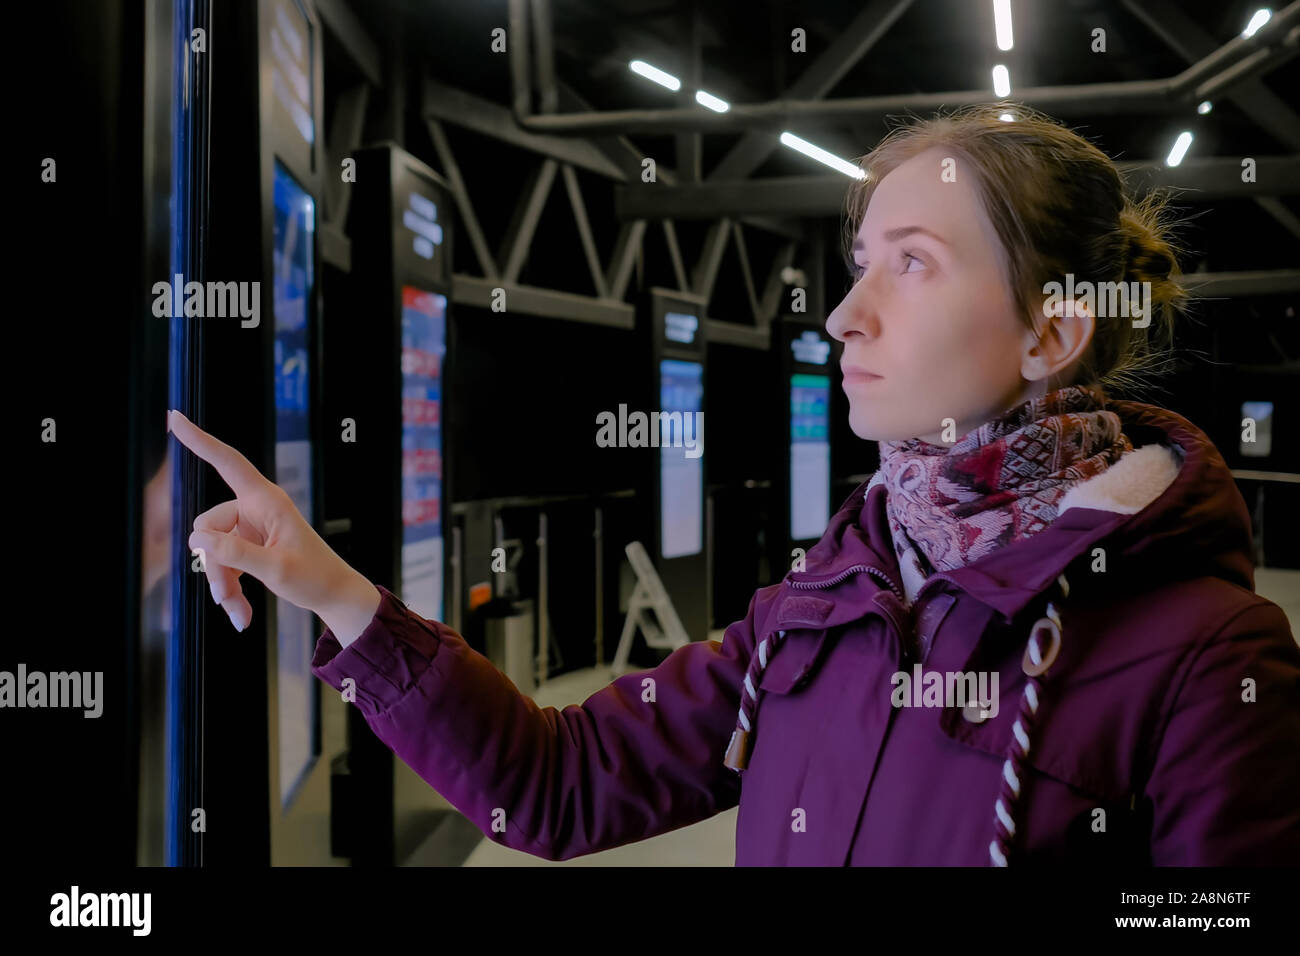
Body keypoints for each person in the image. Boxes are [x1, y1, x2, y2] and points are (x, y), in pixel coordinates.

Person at [170, 104, 1300, 865]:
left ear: (1051, 328)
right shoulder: (828, 599)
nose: (847, 312)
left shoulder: (1208, 656)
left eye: (912, 261)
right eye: (862, 264)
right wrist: (331, 589)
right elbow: (556, 783)